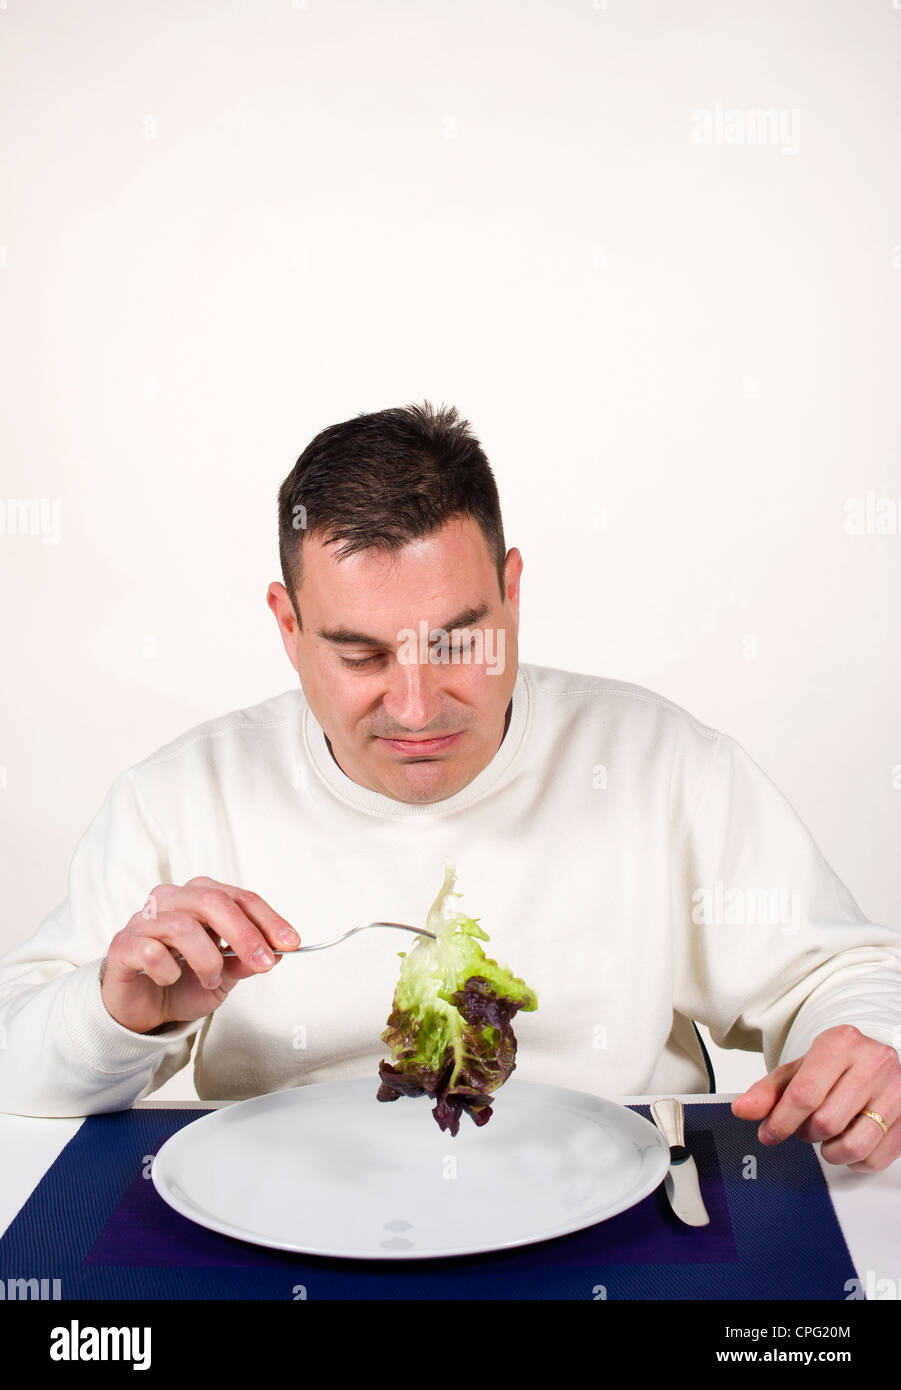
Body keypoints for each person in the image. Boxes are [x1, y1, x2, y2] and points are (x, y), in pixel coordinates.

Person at [1, 401, 899, 1172]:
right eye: (361, 654)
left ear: (510, 592)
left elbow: (843, 975)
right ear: (288, 625)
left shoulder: (662, 762)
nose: (418, 704)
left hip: (625, 1219)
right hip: (288, 1220)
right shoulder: (179, 798)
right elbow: (16, 1067)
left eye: (461, 641)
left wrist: (865, 1050)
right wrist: (117, 1016)